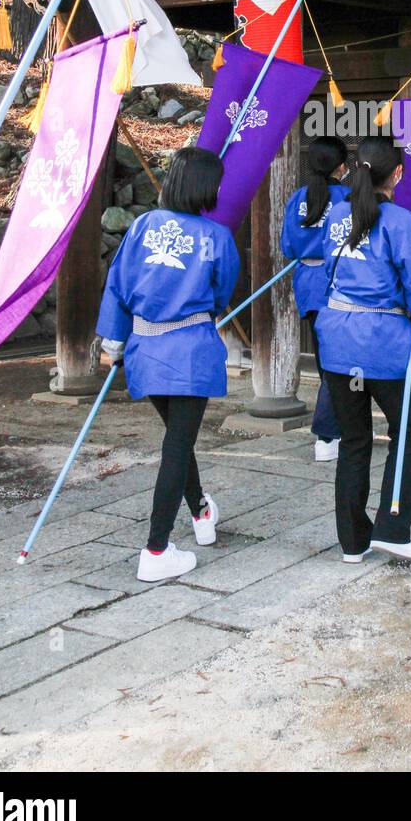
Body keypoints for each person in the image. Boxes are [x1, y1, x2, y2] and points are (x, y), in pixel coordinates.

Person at [97, 147, 240, 582]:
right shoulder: (216, 237)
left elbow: (118, 286)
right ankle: (156, 548)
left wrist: (113, 343)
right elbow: (221, 293)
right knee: (177, 444)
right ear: (207, 187)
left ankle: (200, 511)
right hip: (190, 350)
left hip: (145, 349)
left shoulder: (141, 226)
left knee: (179, 439)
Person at [316, 137, 411, 564]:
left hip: (338, 339)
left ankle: (352, 541)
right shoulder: (403, 222)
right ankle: (393, 526)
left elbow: (328, 271)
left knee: (354, 439)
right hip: (383, 343)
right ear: (398, 174)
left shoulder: (336, 214)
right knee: (406, 432)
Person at [280, 136, 350, 462]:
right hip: (339, 283)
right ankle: (328, 433)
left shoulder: (298, 197)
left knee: (327, 360)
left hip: (308, 283)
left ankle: (340, 425)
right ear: (343, 167)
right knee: (338, 362)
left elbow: (287, 246)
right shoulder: (348, 198)